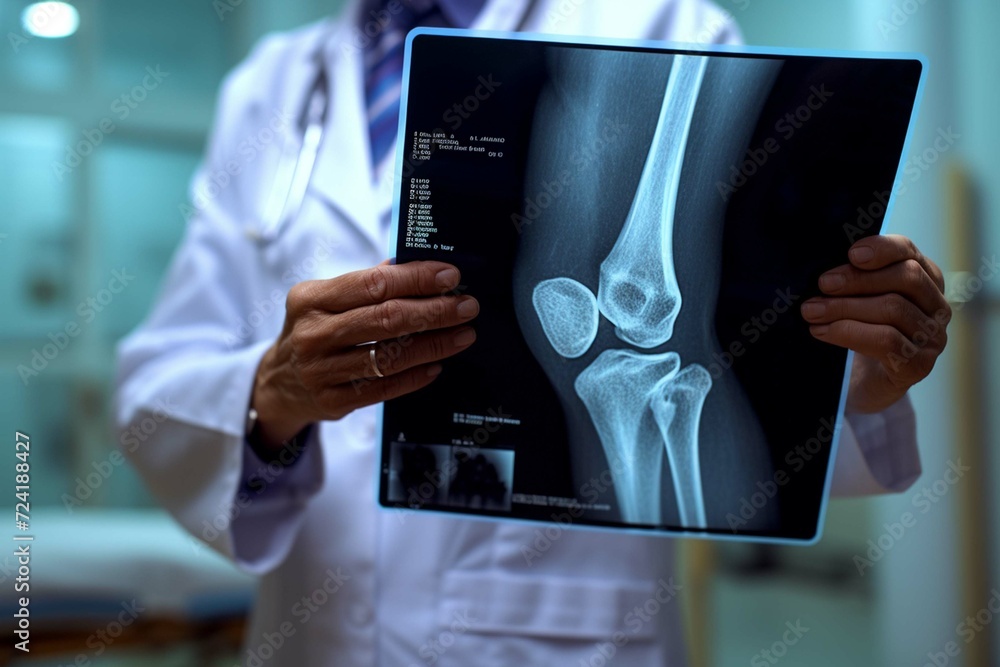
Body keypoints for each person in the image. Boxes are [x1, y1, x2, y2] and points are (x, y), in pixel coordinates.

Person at [115, 0, 950, 664]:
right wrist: (269, 392)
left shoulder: (660, 26)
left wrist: (864, 373)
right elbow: (160, 381)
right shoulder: (270, 88)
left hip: (562, 635)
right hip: (315, 629)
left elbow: (759, 376)